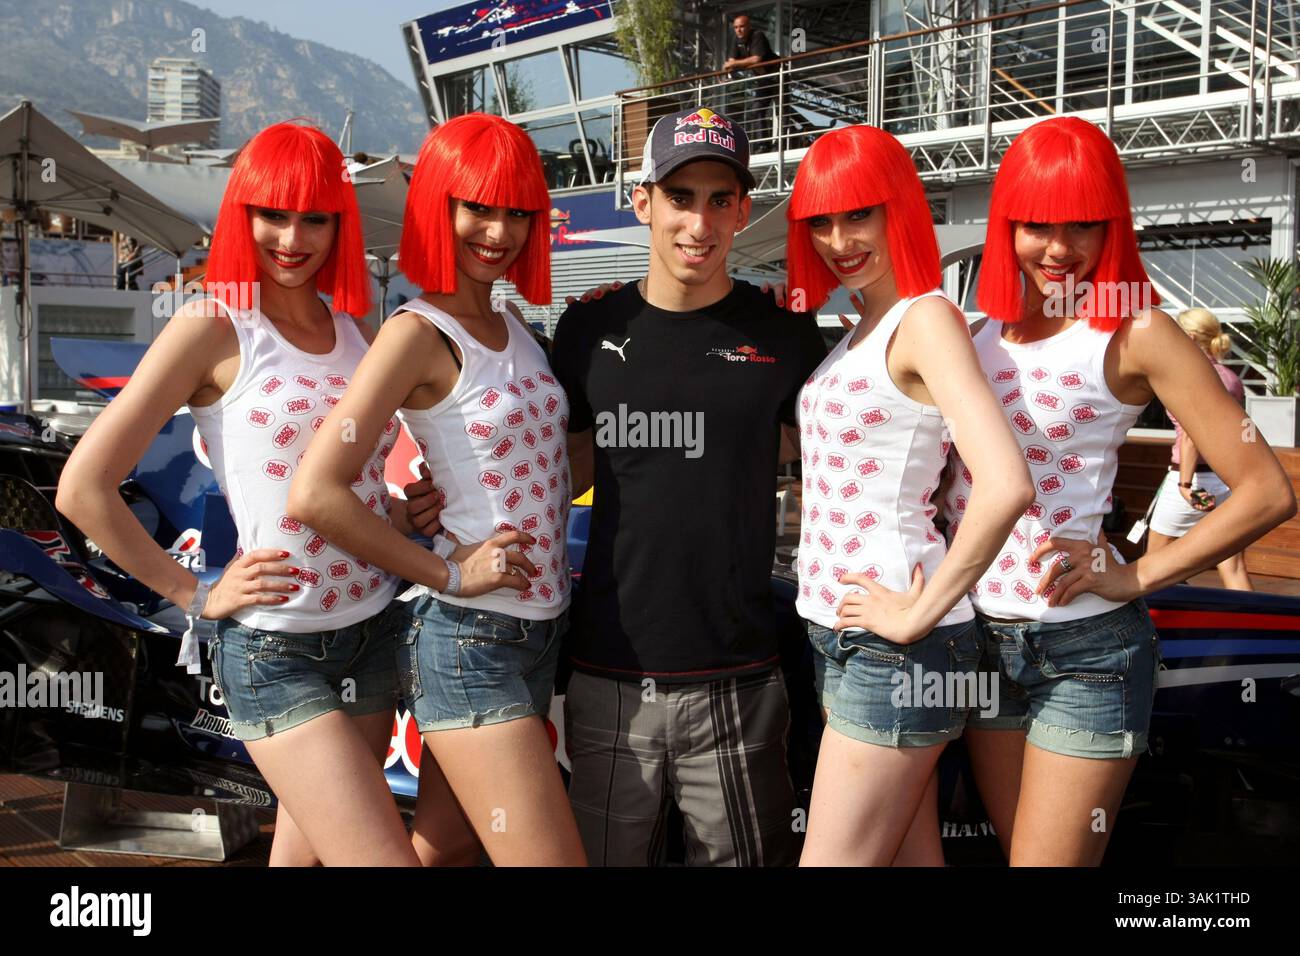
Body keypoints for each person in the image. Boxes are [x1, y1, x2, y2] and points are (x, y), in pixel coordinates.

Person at [57, 121, 429, 866]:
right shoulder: (211, 325)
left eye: (315, 217)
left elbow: (350, 488)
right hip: (274, 649)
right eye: (273, 214)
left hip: (372, 629)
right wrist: (191, 592)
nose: (293, 238)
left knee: (300, 857)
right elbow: (82, 487)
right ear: (242, 215)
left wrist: (403, 510)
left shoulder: (353, 328)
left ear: (338, 223)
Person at [942, 116, 1296, 866]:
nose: (1059, 248)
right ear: (1007, 225)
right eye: (1037, 223)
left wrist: (1134, 573)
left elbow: (1266, 490)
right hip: (978, 644)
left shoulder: (1138, 334)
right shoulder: (975, 334)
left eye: (1084, 225)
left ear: (1114, 228)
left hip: (1086, 649)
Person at [288, 113, 586, 866]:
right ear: (439, 209)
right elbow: (317, 492)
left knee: (443, 848)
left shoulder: (513, 324)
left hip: (539, 631)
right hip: (473, 641)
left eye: (518, 210)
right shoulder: (416, 333)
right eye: (478, 207)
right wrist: (449, 569)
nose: (500, 229)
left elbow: (551, 475)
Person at [550, 105, 827, 866]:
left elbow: (852, 453)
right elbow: (551, 467)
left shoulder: (786, 334)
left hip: (739, 675)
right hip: (610, 671)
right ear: (642, 202)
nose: (698, 222)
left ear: (743, 209)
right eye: (680, 196)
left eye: (719, 199)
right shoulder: (584, 329)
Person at [786, 125, 1032, 866]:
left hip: (899, 647)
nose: (838, 238)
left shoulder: (924, 318)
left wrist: (920, 612)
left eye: (859, 214)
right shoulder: (860, 326)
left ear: (900, 210)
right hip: (845, 634)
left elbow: (1007, 483)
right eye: (821, 221)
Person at [1147, 308, 1252, 590]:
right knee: (1233, 566)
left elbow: (1193, 435)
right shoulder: (1231, 378)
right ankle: (1250, 630)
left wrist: (1184, 484)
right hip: (1224, 481)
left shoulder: (1190, 374)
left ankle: (1155, 630)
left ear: (1190, 336)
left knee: (1152, 563)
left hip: (1189, 478)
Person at [722, 13, 778, 151]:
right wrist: (726, 72)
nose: (738, 30)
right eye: (735, 27)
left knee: (782, 110)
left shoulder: (757, 35)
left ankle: (781, 143)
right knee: (757, 109)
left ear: (749, 27)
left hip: (777, 75)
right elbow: (730, 62)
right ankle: (763, 145)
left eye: (741, 27)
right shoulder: (737, 40)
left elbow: (756, 59)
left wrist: (735, 63)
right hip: (762, 79)